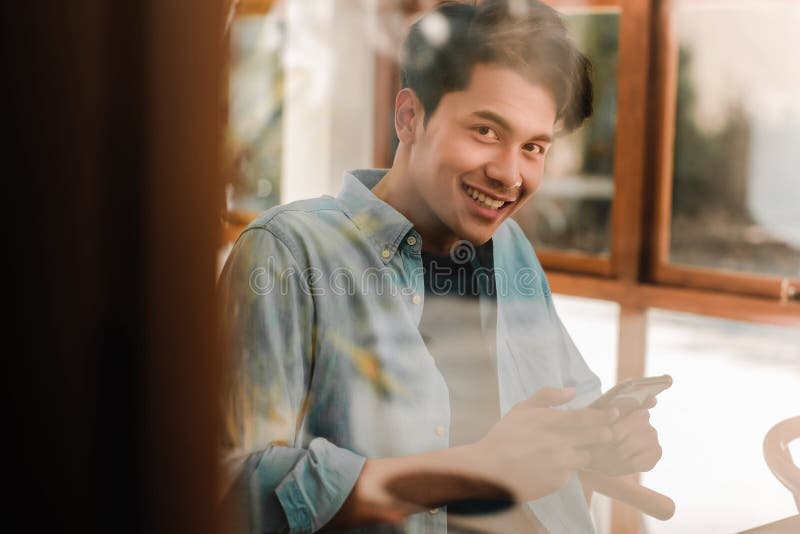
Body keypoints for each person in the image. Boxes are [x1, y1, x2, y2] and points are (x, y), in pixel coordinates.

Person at [218, 1, 662, 532]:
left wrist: (606, 438)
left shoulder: (510, 247)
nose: (510, 175)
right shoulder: (288, 254)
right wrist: (471, 471)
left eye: (534, 146)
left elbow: (567, 397)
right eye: (486, 132)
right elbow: (229, 488)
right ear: (410, 117)